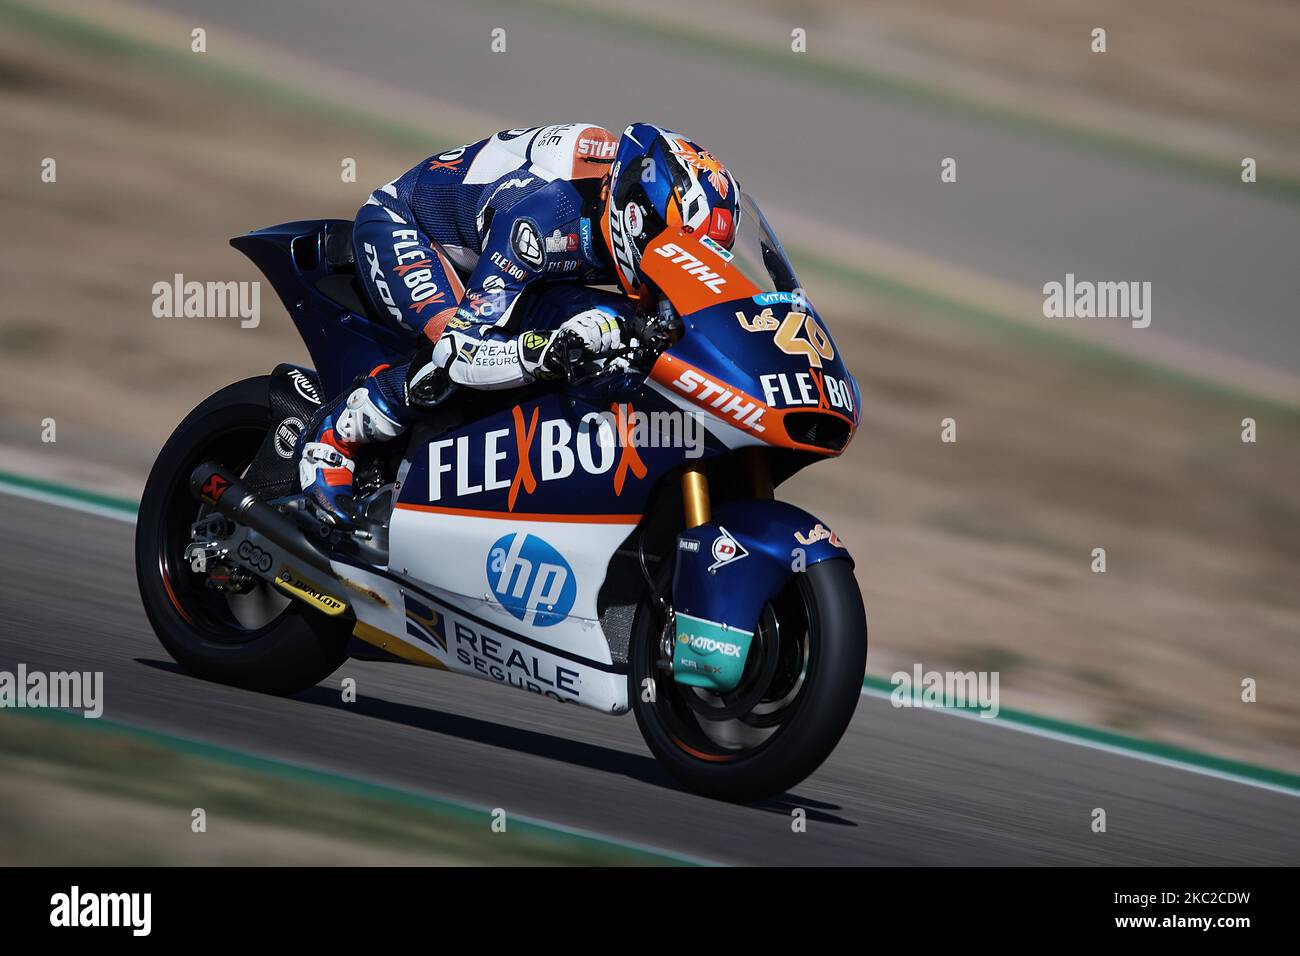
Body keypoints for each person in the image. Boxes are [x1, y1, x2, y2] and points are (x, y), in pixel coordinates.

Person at [299, 122, 740, 527]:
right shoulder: (540, 220)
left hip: (516, 265)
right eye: (674, 248)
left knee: (619, 333)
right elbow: (462, 352)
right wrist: (541, 352)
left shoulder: (623, 205)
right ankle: (339, 433)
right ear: (636, 216)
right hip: (406, 227)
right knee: (455, 355)